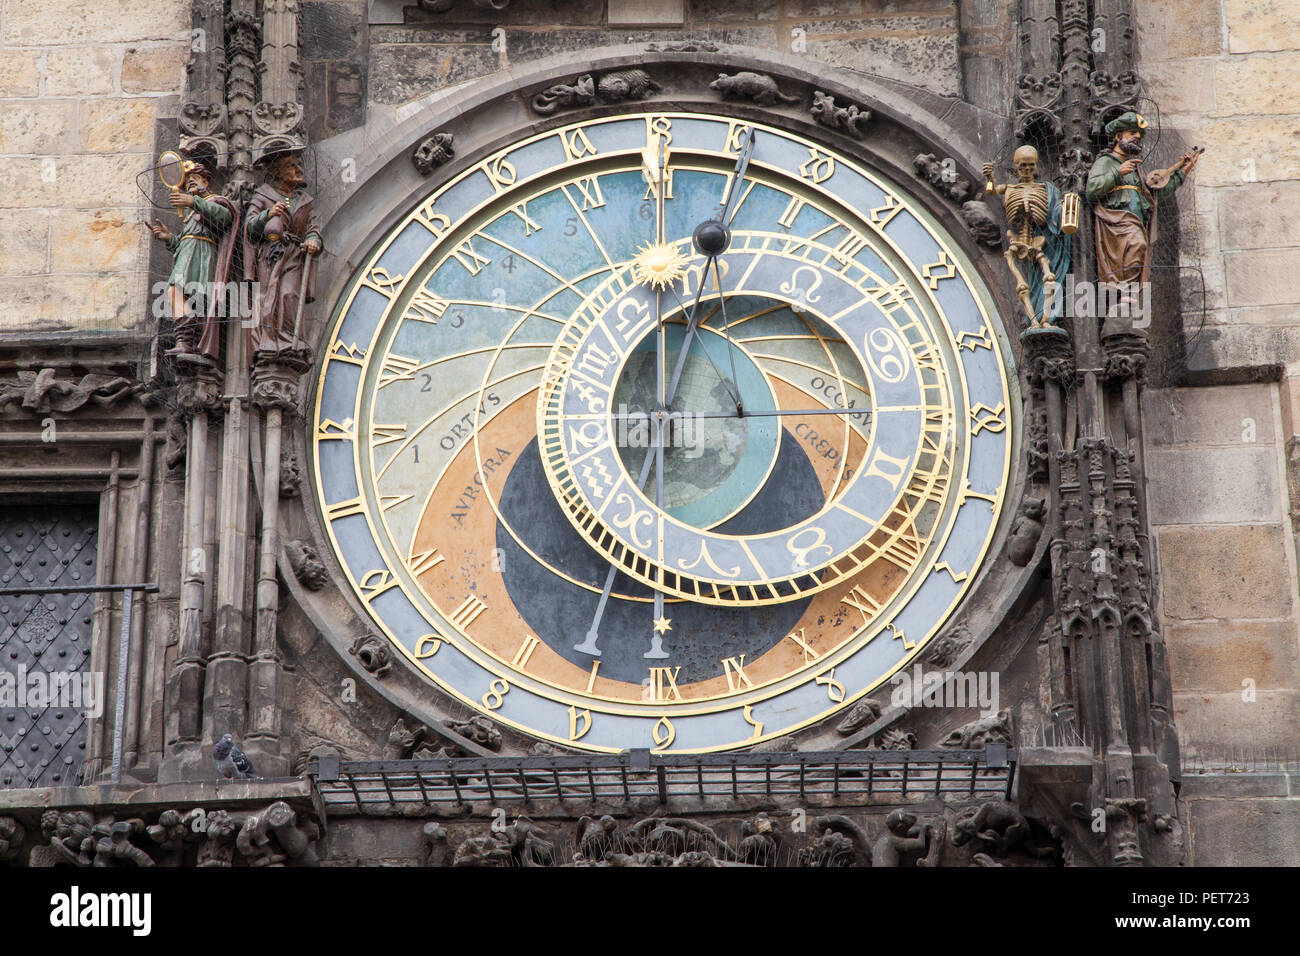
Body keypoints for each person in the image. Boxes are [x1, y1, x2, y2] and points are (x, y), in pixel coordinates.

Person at [1085, 111, 1200, 298]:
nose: (1137, 137)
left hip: (1137, 222)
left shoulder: (1137, 168)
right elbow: (1091, 190)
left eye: (1139, 135)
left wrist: (1183, 171)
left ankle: (1126, 294)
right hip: (1116, 223)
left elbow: (1155, 194)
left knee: (1139, 250)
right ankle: (1122, 293)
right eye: (1132, 133)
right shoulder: (1106, 162)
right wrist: (1117, 173)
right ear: (1117, 136)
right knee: (1136, 244)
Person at [148, 160, 240, 366]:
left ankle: (194, 342)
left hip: (203, 253)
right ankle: (184, 340)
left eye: (194, 179)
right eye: (187, 181)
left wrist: (192, 202)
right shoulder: (192, 214)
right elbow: (184, 240)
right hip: (187, 253)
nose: (190, 183)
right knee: (175, 292)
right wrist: (168, 238)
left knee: (197, 297)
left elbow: (224, 217)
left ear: (206, 181)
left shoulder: (215, 201)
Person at [243, 146, 322, 363]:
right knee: (270, 296)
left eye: (299, 165)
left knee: (289, 295)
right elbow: (249, 227)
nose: (299, 169)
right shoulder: (263, 195)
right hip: (270, 253)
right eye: (292, 166)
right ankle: (268, 341)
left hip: (295, 253)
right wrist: (268, 214)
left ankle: (290, 340)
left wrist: (313, 239)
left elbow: (312, 227)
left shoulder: (304, 200)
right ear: (278, 172)